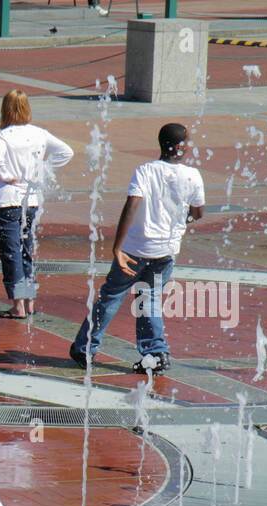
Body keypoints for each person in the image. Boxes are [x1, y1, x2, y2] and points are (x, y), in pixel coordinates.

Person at [70, 122, 205, 376]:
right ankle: (155, 353)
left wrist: (117, 247)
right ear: (180, 147)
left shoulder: (145, 171)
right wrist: (181, 219)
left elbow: (131, 206)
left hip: (134, 250)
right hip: (165, 252)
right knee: (149, 299)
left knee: (111, 296)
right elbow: (197, 212)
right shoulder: (192, 175)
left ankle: (85, 348)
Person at [0, 89, 74, 318]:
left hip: (5, 200)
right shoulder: (39, 134)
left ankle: (18, 306)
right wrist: (43, 169)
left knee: (11, 251)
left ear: (5, 109)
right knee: (26, 249)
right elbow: (66, 152)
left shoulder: (2, 137)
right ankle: (30, 300)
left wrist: (5, 176)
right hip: (30, 200)